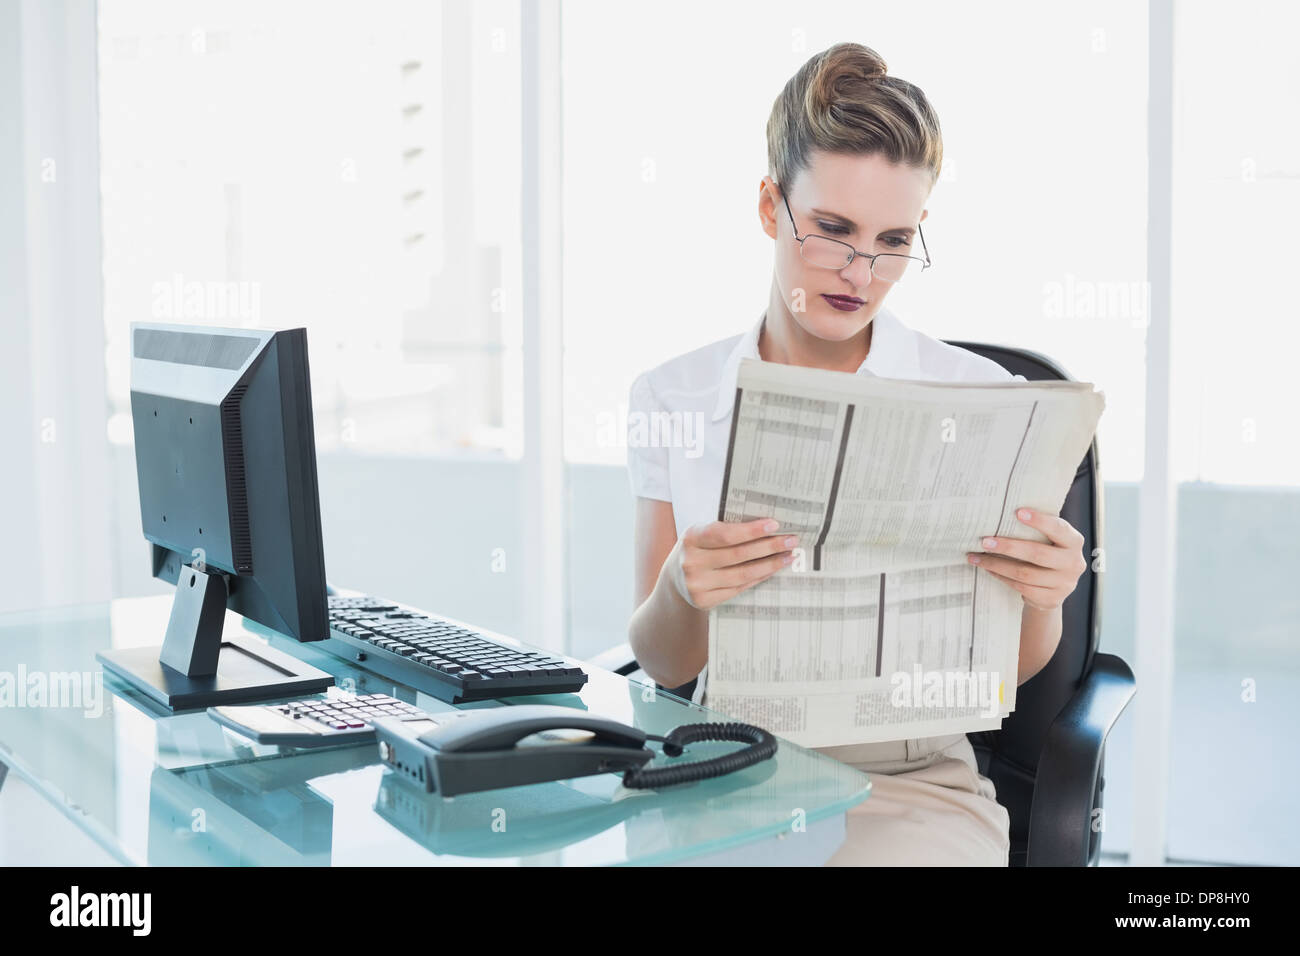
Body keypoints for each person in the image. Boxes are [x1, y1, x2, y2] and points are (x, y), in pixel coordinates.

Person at [625, 42, 1089, 866]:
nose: (860, 271)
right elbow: (663, 660)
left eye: (892, 239)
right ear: (771, 208)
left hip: (909, 784)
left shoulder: (978, 397)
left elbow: (1008, 677)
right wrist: (682, 589)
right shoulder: (674, 396)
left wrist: (1045, 596)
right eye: (833, 230)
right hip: (729, 762)